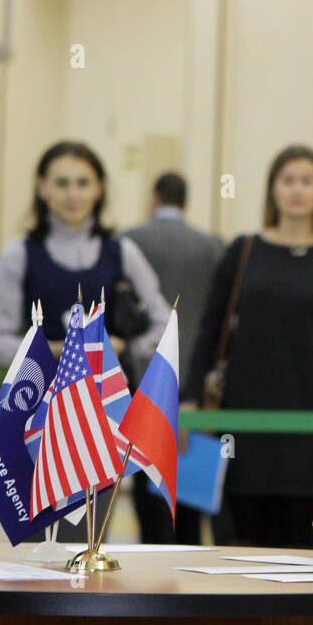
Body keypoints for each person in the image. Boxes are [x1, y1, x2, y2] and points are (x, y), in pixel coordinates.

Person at [0, 140, 169, 540]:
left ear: (99, 188)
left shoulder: (123, 251)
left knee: (88, 539)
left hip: (104, 420)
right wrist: (56, 350)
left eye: (83, 182)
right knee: (38, 545)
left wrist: (119, 347)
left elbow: (161, 322)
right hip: (36, 418)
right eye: (62, 183)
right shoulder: (20, 254)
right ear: (42, 188)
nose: (73, 193)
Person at [185, 145, 313, 548]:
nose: (297, 190)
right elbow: (210, 329)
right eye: (288, 180)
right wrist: (192, 398)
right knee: (235, 544)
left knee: (298, 544)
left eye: (307, 180)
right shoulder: (244, 250)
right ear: (273, 190)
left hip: (306, 421)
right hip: (239, 421)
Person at [123, 171, 224, 543]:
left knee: (148, 508)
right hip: (194, 389)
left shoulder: (129, 241)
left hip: (142, 382)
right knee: (189, 507)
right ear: (186, 200)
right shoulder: (213, 246)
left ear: (154, 198)